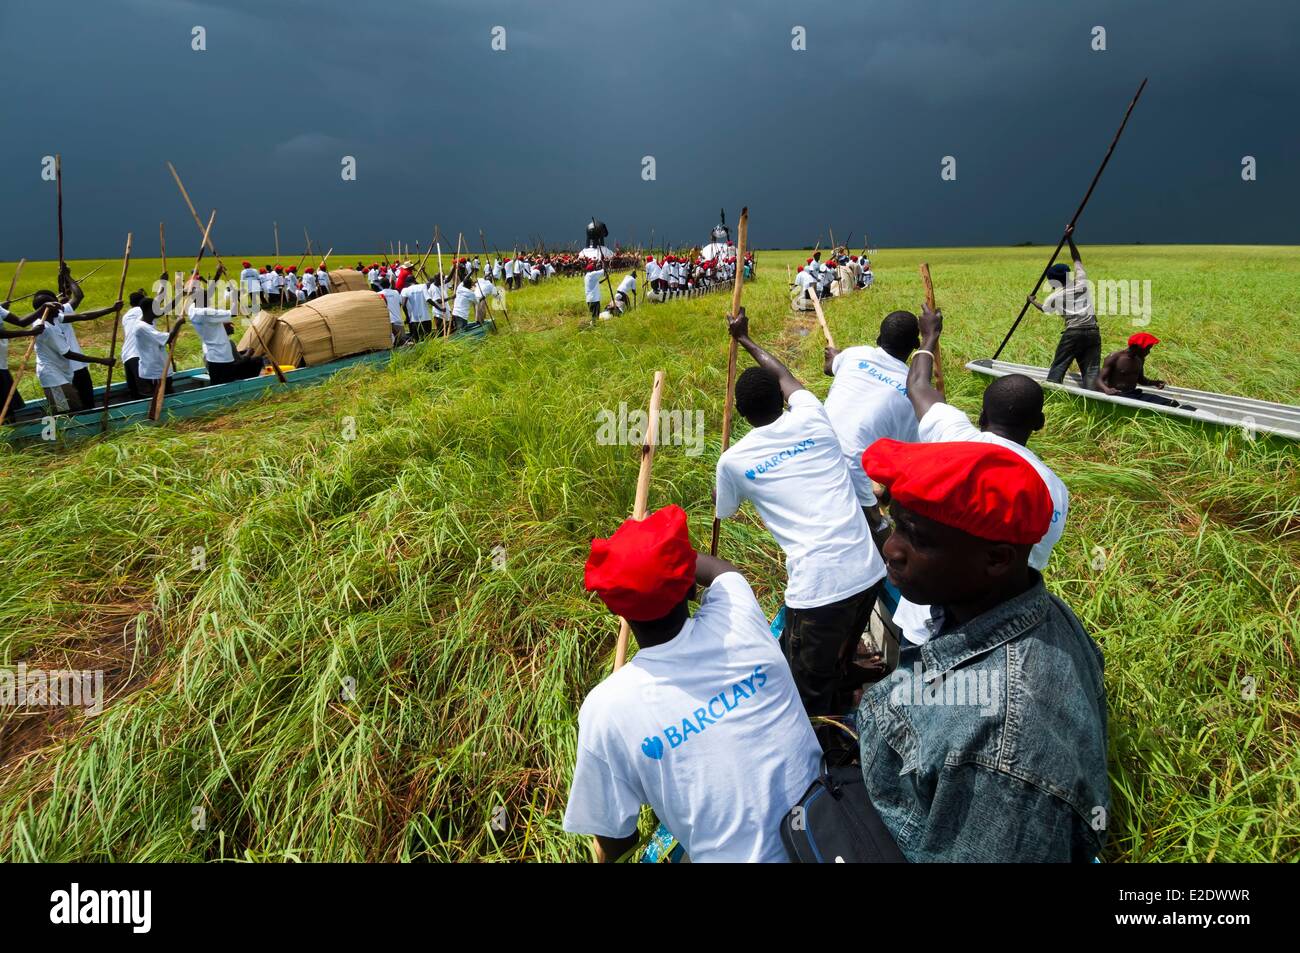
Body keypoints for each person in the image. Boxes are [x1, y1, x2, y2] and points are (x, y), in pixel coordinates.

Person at [856, 437, 1108, 862]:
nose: (891, 549)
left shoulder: (1002, 760)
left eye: (917, 537)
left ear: (997, 559)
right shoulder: (1026, 609)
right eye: (895, 524)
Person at [564, 504, 821, 863]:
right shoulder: (737, 616)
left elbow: (615, 836)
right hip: (826, 833)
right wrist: (663, 551)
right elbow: (723, 572)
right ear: (689, 585)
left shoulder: (607, 709)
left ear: (614, 609)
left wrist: (639, 560)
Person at [715, 308, 887, 753]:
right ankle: (847, 689)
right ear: (781, 398)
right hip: (869, 569)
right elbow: (785, 374)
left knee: (804, 693)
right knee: (843, 649)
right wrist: (748, 340)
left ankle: (825, 761)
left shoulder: (733, 460)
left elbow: (726, 511)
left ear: (739, 413)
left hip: (818, 590)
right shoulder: (813, 413)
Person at [892, 302, 1069, 647]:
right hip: (995, 631)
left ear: (982, 415)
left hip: (923, 612)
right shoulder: (1054, 490)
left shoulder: (954, 435)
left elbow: (917, 385)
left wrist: (929, 336)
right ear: (1039, 424)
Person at [822, 311, 922, 547]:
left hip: (814, 450)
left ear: (878, 340)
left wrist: (835, 358)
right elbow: (908, 467)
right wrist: (885, 500)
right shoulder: (914, 392)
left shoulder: (855, 354)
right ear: (915, 346)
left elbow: (829, 367)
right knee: (881, 537)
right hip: (852, 471)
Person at [1026, 228, 1102, 390]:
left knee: (1059, 365)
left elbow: (1046, 309)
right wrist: (1069, 239)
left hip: (1073, 333)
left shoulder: (1054, 296)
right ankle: (1094, 398)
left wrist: (1032, 301)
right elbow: (1077, 259)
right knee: (1091, 371)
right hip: (1093, 331)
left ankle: (1052, 395)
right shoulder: (1081, 281)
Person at [186, 286, 264, 384]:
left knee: (217, 384)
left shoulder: (192, 310)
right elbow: (233, 312)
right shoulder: (206, 312)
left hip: (212, 359)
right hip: (222, 359)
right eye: (206, 297)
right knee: (227, 384)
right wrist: (235, 297)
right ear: (200, 299)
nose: (209, 299)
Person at [1099, 332, 1194, 409]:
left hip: (1133, 394)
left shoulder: (1139, 359)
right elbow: (1099, 379)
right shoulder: (1115, 357)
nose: (1149, 352)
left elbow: (1141, 380)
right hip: (1118, 394)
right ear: (1137, 347)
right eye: (1147, 348)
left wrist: (1154, 383)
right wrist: (1107, 390)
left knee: (1172, 403)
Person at [0, 301, 48, 420]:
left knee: (8, 406)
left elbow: (22, 322)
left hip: (2, 365)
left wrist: (43, 308)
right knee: (4, 408)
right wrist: (29, 332)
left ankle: (12, 435)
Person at [401, 275, 433, 340]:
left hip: (414, 320)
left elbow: (403, 305)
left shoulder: (406, 290)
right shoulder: (423, 286)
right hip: (426, 318)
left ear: (407, 283)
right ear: (415, 280)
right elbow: (428, 299)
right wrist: (439, 308)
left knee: (417, 340)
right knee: (428, 339)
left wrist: (407, 317)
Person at [377, 277, 404, 344]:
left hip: (388, 323)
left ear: (380, 285)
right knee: (403, 344)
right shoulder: (396, 292)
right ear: (389, 284)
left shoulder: (378, 294)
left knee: (393, 345)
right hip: (399, 320)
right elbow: (400, 303)